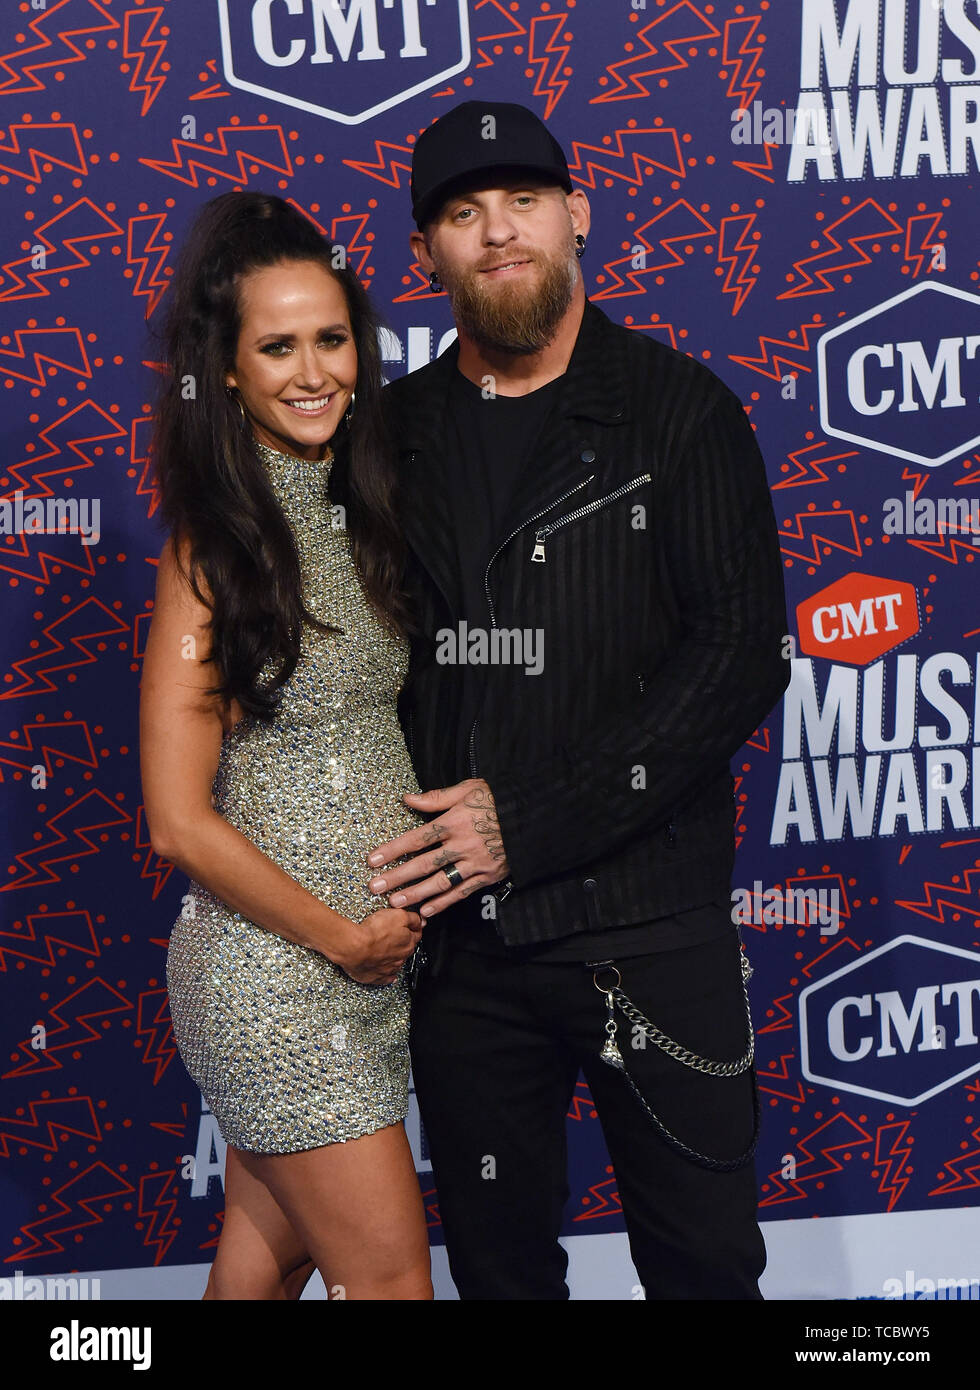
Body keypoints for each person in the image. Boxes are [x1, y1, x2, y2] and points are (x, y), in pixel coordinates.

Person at [365, 101, 792, 1299]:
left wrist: (526, 819)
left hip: (648, 931)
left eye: (522, 201)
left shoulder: (679, 412)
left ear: (577, 215)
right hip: (465, 954)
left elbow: (736, 658)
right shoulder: (387, 438)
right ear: (425, 255)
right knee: (501, 1278)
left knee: (703, 1268)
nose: (496, 233)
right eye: (461, 213)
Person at [140, 191, 431, 1300]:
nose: (313, 371)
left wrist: (370, 950)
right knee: (395, 1280)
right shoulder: (209, 551)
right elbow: (176, 820)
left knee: (263, 1263)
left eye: (331, 337)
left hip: (364, 971)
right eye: (276, 347)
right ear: (226, 369)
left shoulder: (362, 507)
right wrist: (344, 941)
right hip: (279, 980)